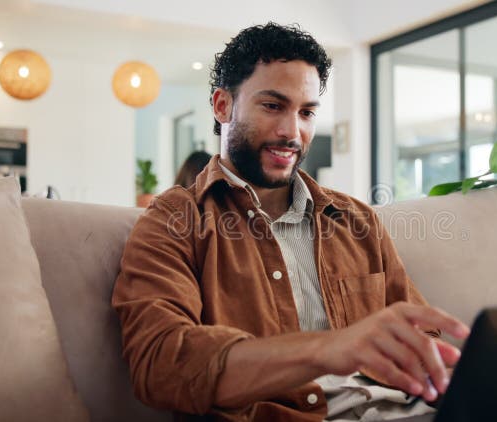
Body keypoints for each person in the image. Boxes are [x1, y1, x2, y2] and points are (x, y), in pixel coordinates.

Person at [112, 22, 469, 421]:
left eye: (306, 112)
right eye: (272, 106)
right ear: (221, 105)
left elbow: (420, 336)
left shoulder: (356, 220)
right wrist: (328, 349)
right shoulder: (173, 221)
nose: (291, 132)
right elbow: (160, 365)